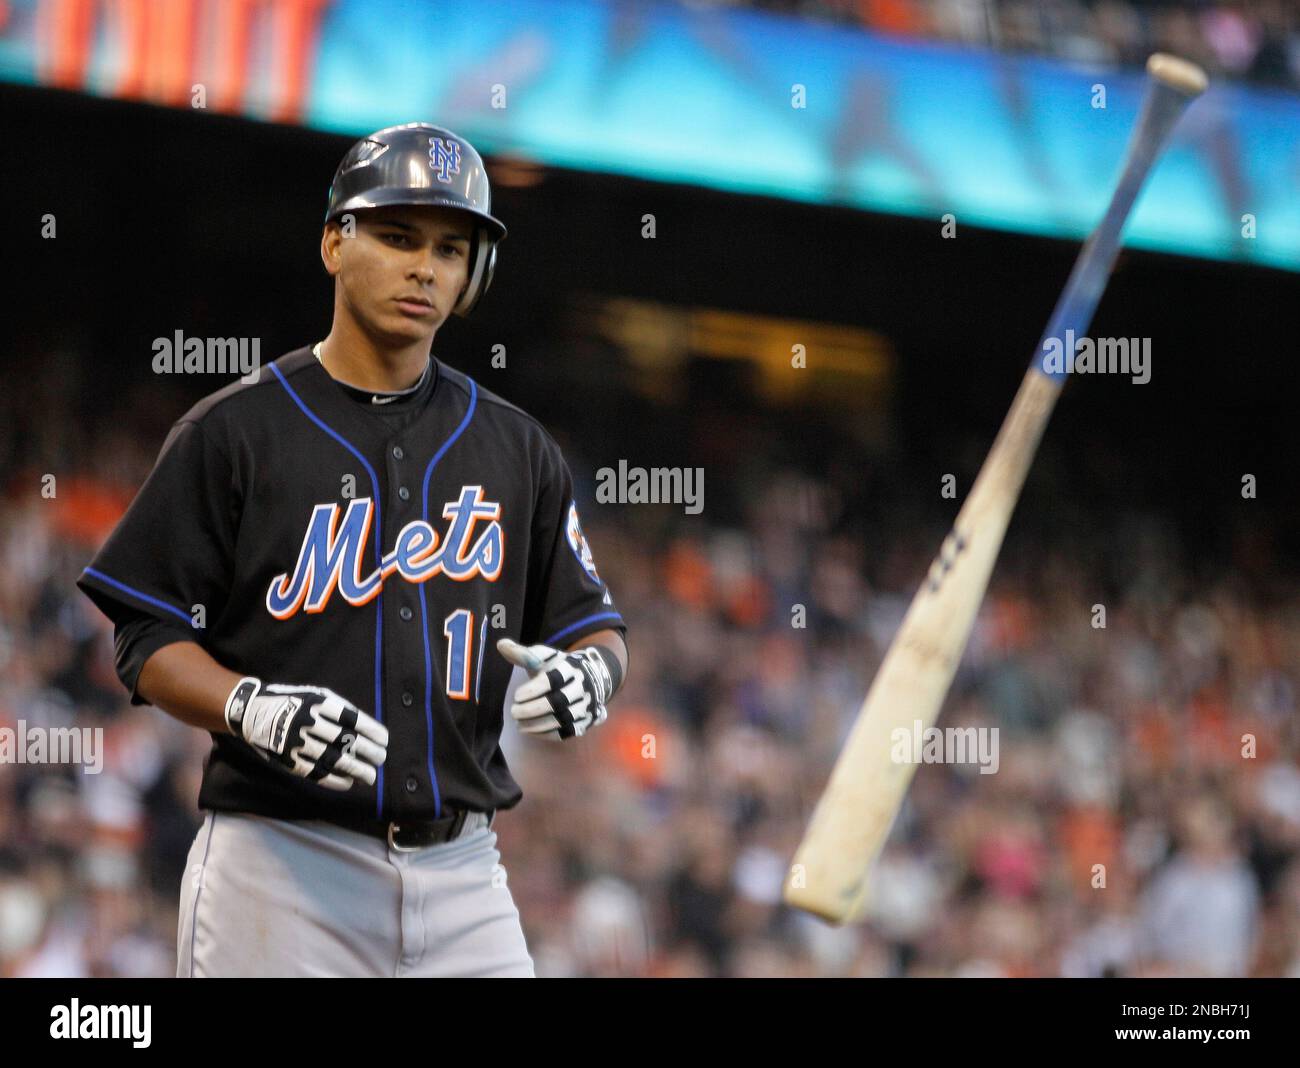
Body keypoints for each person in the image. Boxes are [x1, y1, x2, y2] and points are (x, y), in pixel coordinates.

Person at [76, 122, 629, 978]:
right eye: (399, 236)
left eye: (452, 249)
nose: (426, 269)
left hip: (465, 871)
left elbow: (595, 627)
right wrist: (249, 705)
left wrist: (594, 674)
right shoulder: (235, 431)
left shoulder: (517, 449)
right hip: (281, 867)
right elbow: (143, 639)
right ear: (336, 241)